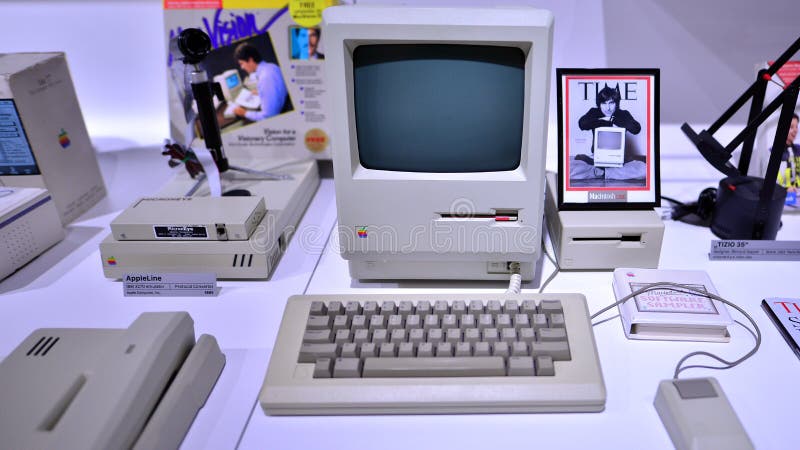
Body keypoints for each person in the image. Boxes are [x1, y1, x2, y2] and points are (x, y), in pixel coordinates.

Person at [570, 84, 646, 182]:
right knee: (568, 167)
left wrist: (614, 120)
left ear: (616, 103)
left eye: (611, 103)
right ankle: (609, 173)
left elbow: (636, 128)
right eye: (604, 103)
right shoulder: (594, 112)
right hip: (596, 159)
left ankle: (601, 172)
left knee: (645, 169)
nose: (608, 108)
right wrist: (603, 120)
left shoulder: (623, 114)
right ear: (599, 104)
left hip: (620, 160)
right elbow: (582, 124)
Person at [232, 43, 288, 121]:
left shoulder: (264, 78)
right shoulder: (272, 66)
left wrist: (244, 113)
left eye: (242, 63)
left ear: (250, 60)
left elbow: (268, 117)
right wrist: (261, 92)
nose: (242, 67)